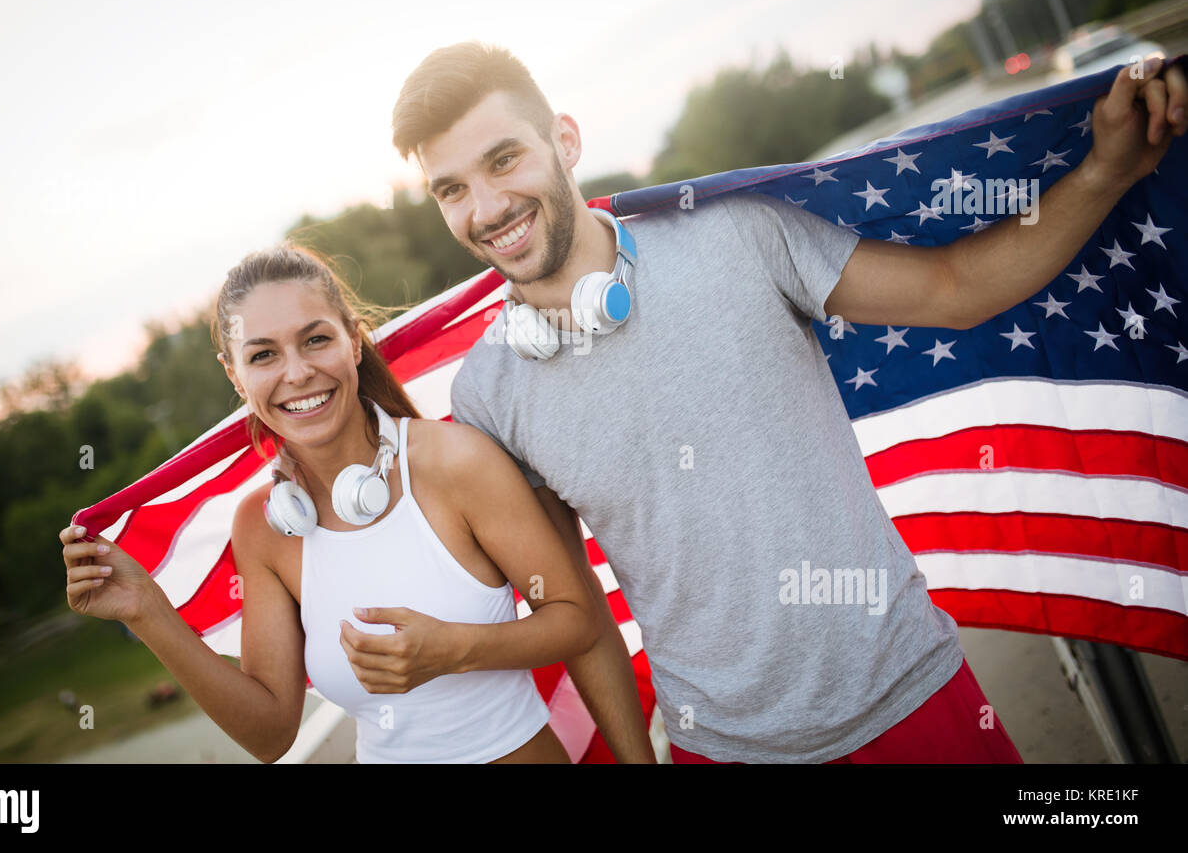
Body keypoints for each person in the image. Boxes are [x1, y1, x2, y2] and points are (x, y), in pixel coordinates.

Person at [377, 41, 1188, 763]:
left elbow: (957, 289)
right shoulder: (488, 393)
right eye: (451, 190)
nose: (485, 209)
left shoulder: (734, 233)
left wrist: (1107, 169)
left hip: (914, 699)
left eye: (504, 160)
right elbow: (570, 602)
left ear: (565, 139)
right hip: (720, 748)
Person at [59, 243, 636, 763]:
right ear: (235, 377)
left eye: (315, 339)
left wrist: (454, 649)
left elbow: (576, 619)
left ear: (353, 341)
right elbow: (270, 734)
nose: (297, 372)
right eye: (262, 356)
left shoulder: (456, 462)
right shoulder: (261, 526)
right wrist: (148, 613)